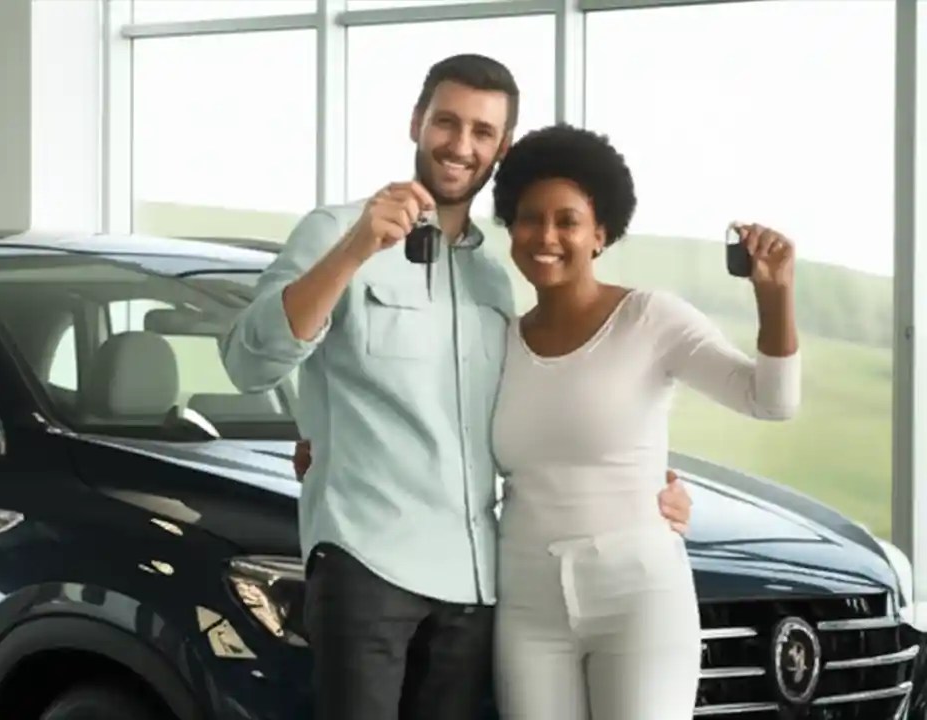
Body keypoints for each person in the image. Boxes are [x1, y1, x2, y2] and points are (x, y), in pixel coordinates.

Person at [218, 54, 692, 720]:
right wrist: (356, 249)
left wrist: (644, 483)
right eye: (446, 122)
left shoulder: (494, 278)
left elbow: (530, 410)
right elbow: (248, 362)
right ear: (417, 122)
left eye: (481, 132)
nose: (459, 146)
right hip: (367, 562)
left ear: (501, 148)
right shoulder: (334, 232)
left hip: (476, 581)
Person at [485, 123, 800, 719]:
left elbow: (771, 400)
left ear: (600, 232)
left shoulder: (650, 318)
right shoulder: (498, 341)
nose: (546, 236)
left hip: (639, 601)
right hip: (527, 605)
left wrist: (776, 295)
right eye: (529, 218)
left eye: (567, 220)